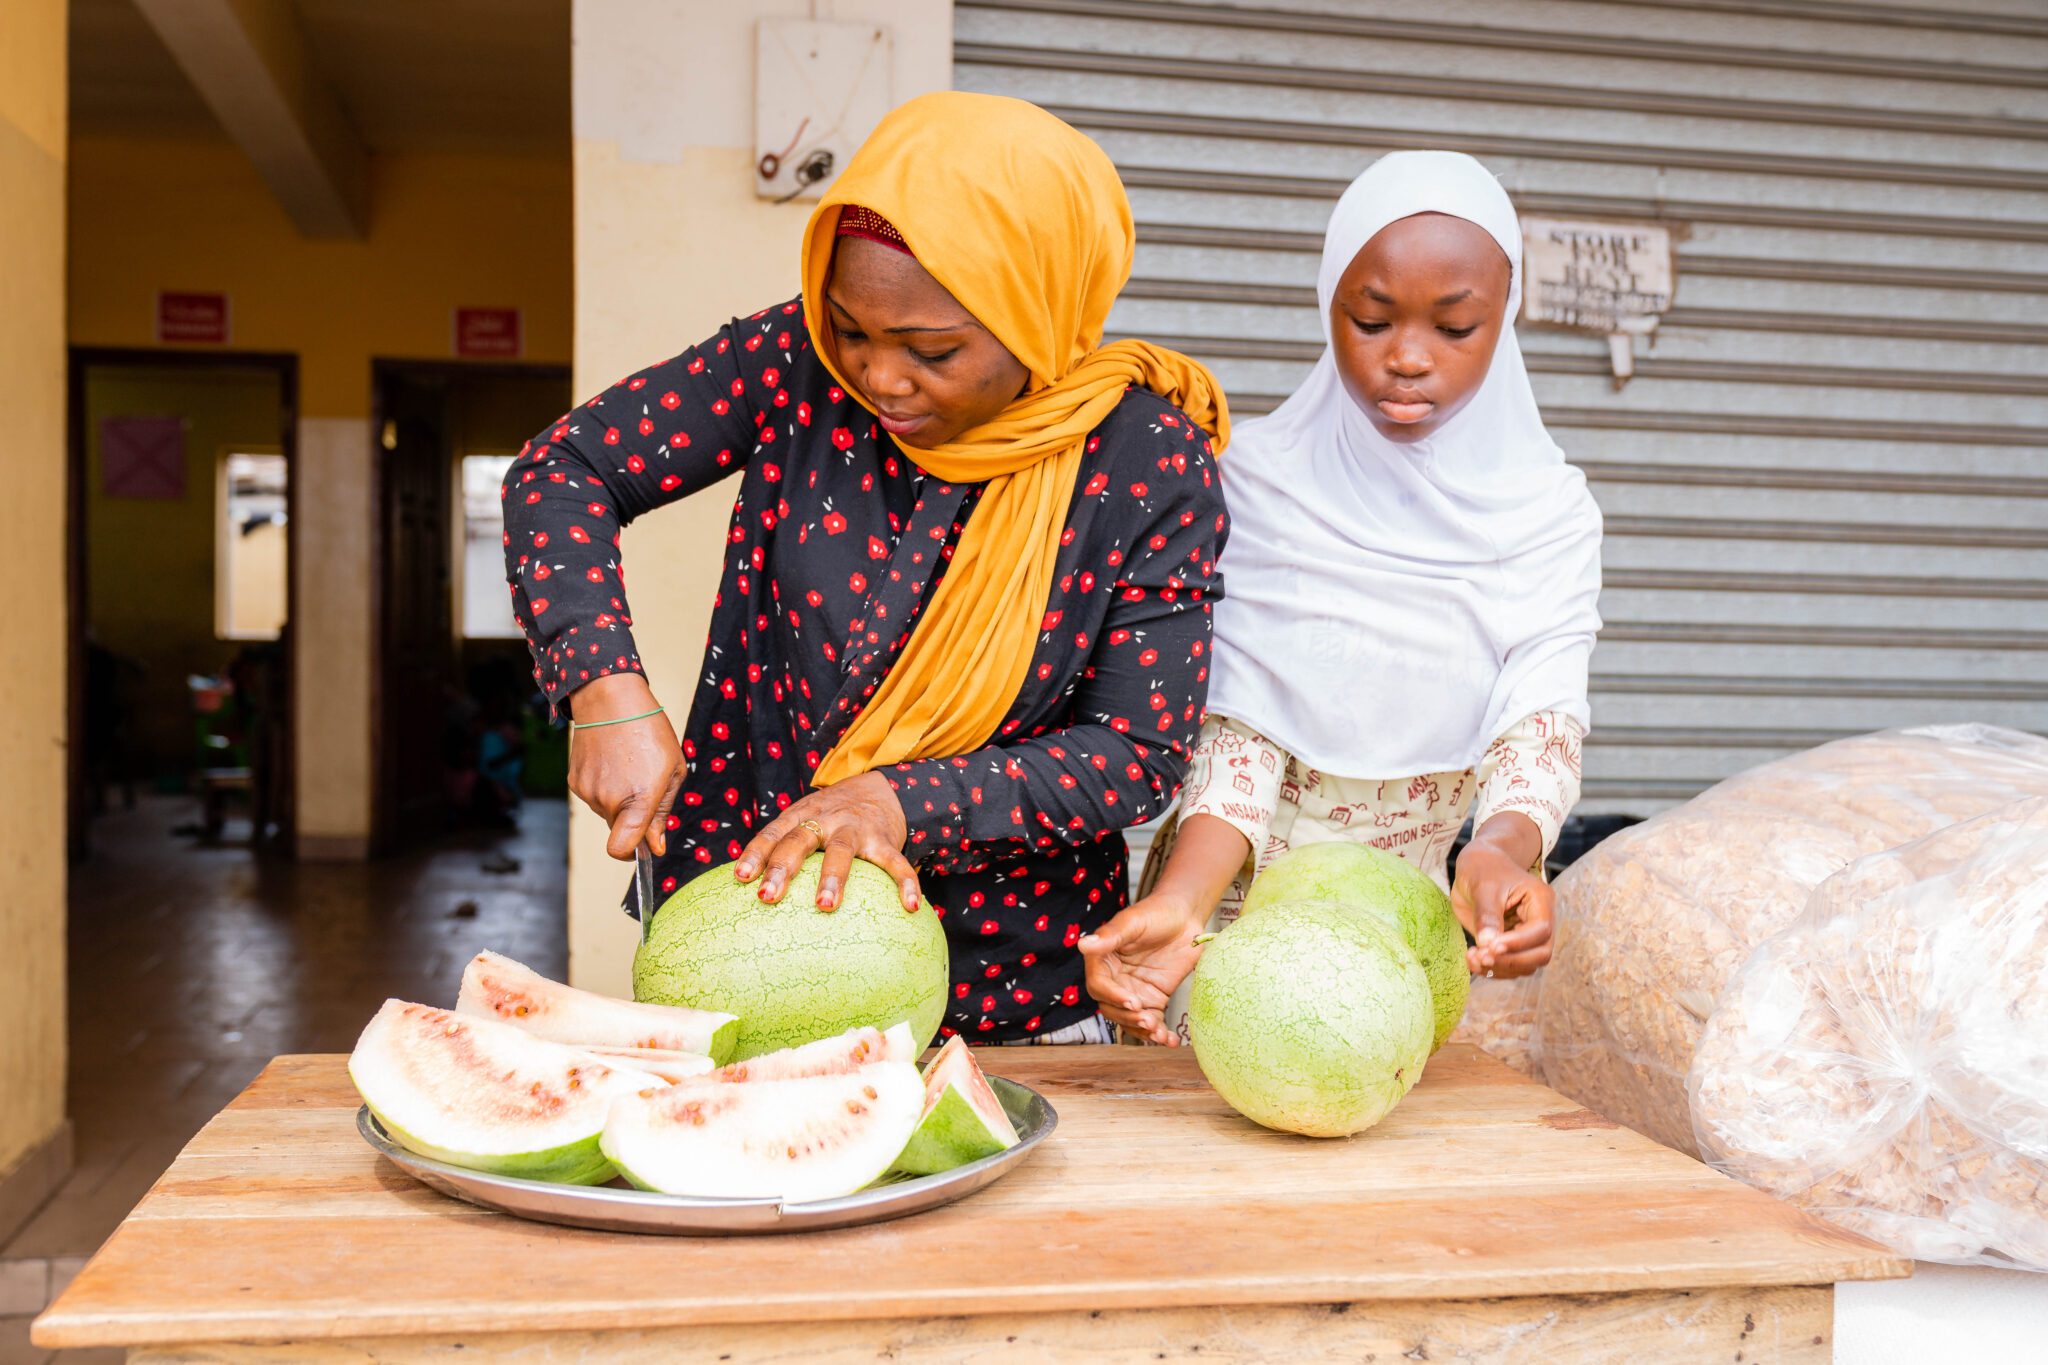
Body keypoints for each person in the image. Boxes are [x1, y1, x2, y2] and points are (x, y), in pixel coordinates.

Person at [502, 93, 1229, 1045]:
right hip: (750, 953)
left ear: (1040, 312)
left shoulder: (1149, 463)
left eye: (933, 350)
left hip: (1010, 986)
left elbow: (1137, 752)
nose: (879, 377)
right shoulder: (795, 366)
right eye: (851, 328)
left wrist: (895, 799)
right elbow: (564, 469)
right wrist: (605, 687)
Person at [1080, 151, 1603, 1046]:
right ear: (1329, 303)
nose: (1406, 357)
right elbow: (1240, 728)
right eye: (1370, 318)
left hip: (1403, 926)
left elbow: (1539, 722)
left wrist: (1498, 851)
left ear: (1504, 321)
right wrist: (1182, 902)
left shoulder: (1550, 515)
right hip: (1223, 911)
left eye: (1456, 328)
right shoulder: (1256, 482)